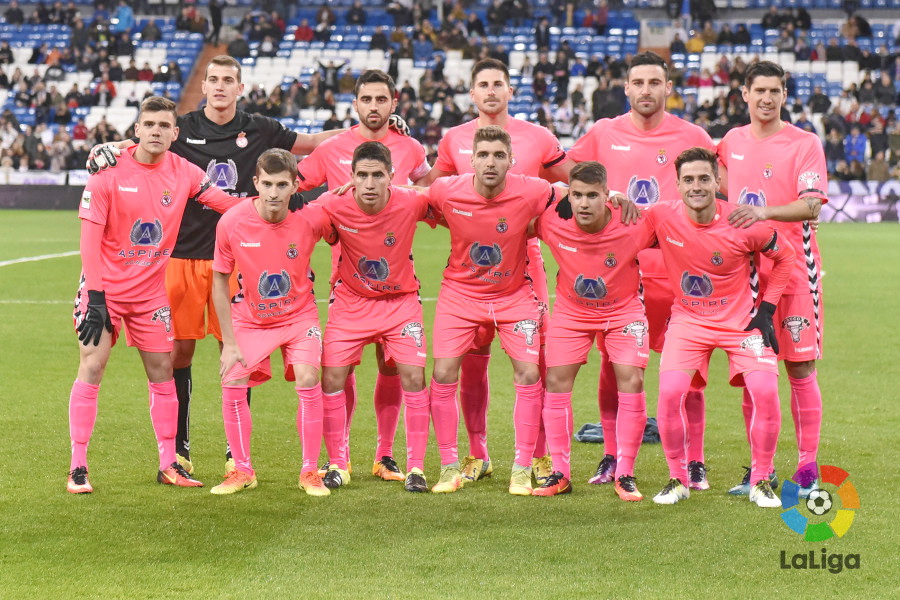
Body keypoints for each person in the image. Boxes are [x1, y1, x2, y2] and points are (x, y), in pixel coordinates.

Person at [85, 55, 345, 476]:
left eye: (229, 80)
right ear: (203, 86)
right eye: (214, 79)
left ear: (240, 88)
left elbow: (314, 141)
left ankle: (233, 455)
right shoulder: (181, 127)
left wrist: (368, 132)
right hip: (182, 257)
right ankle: (181, 449)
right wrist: (105, 149)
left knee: (236, 354)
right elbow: (140, 145)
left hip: (240, 259)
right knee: (177, 354)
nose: (221, 86)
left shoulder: (260, 128)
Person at [66, 96, 242, 494]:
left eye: (165, 125)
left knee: (163, 373)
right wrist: (95, 297)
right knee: (92, 368)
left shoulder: (185, 173)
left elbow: (226, 205)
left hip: (150, 296)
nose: (158, 131)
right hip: (104, 292)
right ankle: (78, 467)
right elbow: (89, 243)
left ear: (175, 134)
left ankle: (169, 464)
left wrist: (271, 207)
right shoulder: (107, 172)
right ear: (137, 130)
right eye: (151, 124)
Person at [419, 58, 574, 488]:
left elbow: (573, 181)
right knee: (472, 362)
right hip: (468, 275)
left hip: (524, 264)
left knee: (538, 360)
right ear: (472, 93)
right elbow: (431, 194)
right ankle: (477, 453)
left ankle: (539, 457)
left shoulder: (538, 136)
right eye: (482, 84)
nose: (490, 91)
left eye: (498, 84)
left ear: (510, 91)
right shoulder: (453, 139)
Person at [567, 51, 716, 490]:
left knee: (687, 374)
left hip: (679, 273)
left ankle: (695, 461)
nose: (647, 90)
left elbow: (721, 185)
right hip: (620, 276)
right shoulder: (602, 133)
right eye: (639, 82)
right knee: (613, 370)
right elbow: (567, 177)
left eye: (656, 82)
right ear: (626, 88)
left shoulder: (694, 136)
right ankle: (612, 456)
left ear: (668, 88)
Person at [295, 69, 430, 482]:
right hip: (347, 281)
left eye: (381, 99)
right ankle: (342, 456)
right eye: (366, 99)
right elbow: (294, 186)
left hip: (395, 279)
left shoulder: (409, 147)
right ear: (356, 104)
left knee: (392, 368)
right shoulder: (333, 147)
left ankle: (386, 455)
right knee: (341, 371)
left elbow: (431, 190)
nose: (374, 106)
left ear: (394, 103)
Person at [645, 147, 795, 508]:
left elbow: (786, 256)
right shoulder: (660, 216)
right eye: (688, 180)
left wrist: (768, 308)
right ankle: (678, 479)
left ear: (717, 181)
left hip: (740, 324)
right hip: (688, 321)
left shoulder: (744, 222)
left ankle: (761, 480)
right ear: (677, 185)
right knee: (668, 395)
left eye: (703, 179)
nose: (696, 186)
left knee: (766, 393)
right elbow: (620, 230)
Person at [717, 61, 829, 496]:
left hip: (797, 269)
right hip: (746, 276)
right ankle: (757, 470)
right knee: (754, 370)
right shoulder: (731, 141)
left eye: (774, 91)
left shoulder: (804, 143)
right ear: (744, 93)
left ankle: (806, 470)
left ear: (785, 95)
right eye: (758, 90)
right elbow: (714, 188)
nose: (766, 98)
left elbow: (812, 206)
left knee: (800, 368)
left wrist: (762, 212)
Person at [427, 125, 551, 495]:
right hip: (460, 295)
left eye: (499, 155)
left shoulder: (534, 190)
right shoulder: (446, 190)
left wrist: (611, 194)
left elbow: (572, 195)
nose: (491, 162)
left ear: (512, 161)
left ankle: (523, 466)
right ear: (471, 160)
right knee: (445, 371)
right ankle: (450, 465)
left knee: (529, 373)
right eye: (483, 155)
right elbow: (409, 199)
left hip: (513, 295)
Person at [210, 148, 334, 497]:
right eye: (267, 183)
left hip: (299, 316)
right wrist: (229, 342)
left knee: (309, 377)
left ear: (296, 185)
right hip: (250, 319)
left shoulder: (312, 219)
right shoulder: (232, 222)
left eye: (282, 184)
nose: (274, 193)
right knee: (233, 381)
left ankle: (310, 471)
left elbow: (345, 216)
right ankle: (242, 470)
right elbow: (219, 279)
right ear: (255, 182)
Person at [530, 162, 655, 499]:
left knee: (632, 378)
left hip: (624, 311)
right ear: (568, 194)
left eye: (592, 196)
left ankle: (625, 473)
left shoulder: (633, 223)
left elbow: (677, 229)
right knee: (555, 381)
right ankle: (560, 474)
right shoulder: (552, 221)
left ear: (606, 196)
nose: (583, 203)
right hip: (572, 313)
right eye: (577, 195)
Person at [317, 142, 434, 492]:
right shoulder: (332, 204)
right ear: (351, 178)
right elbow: (292, 219)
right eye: (362, 176)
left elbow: (454, 202)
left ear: (391, 177)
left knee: (412, 375)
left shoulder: (413, 201)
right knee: (333, 376)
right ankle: (338, 461)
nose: (369, 183)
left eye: (377, 175)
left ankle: (411, 466)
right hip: (351, 301)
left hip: (400, 302)